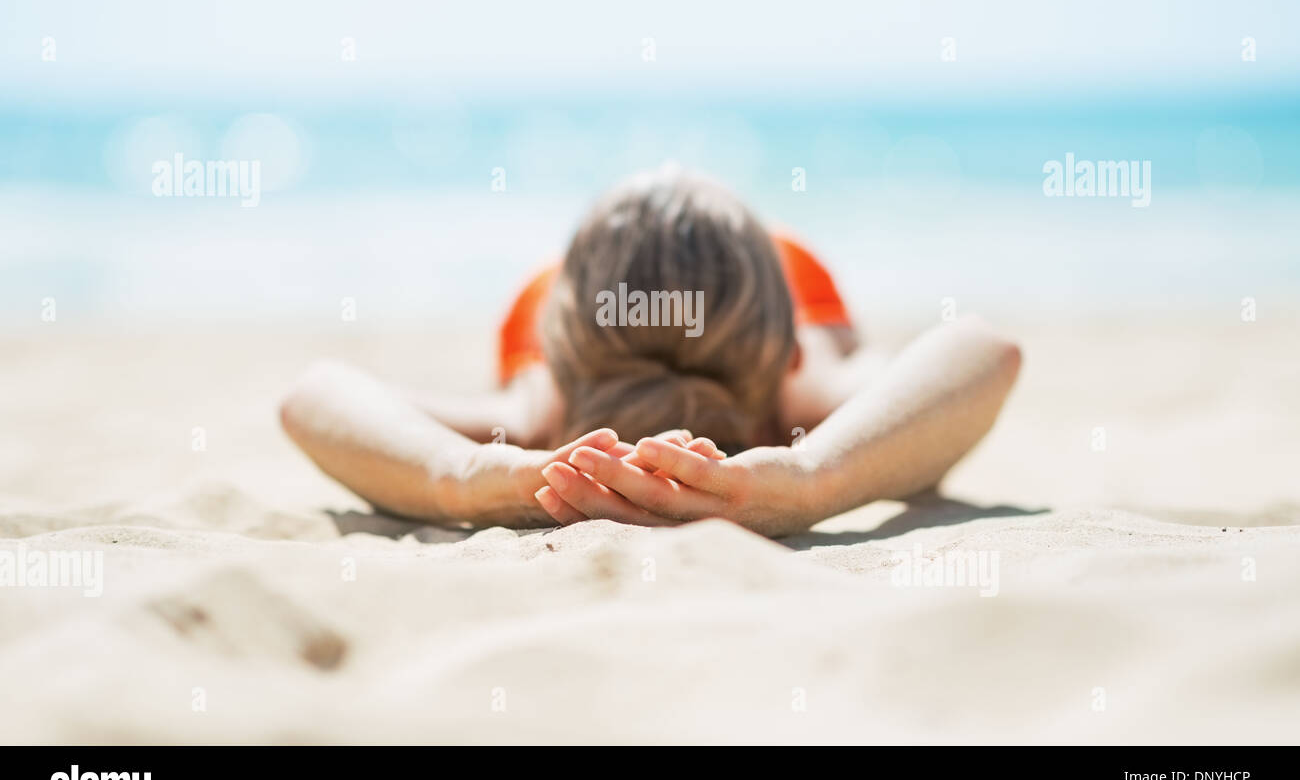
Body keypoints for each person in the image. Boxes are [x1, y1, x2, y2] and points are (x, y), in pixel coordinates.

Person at [280, 166, 1021, 537]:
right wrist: (476, 475)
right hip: (600, 296)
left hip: (762, 284)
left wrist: (811, 477)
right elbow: (315, 394)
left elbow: (984, 352)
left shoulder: (794, 358)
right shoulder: (552, 386)